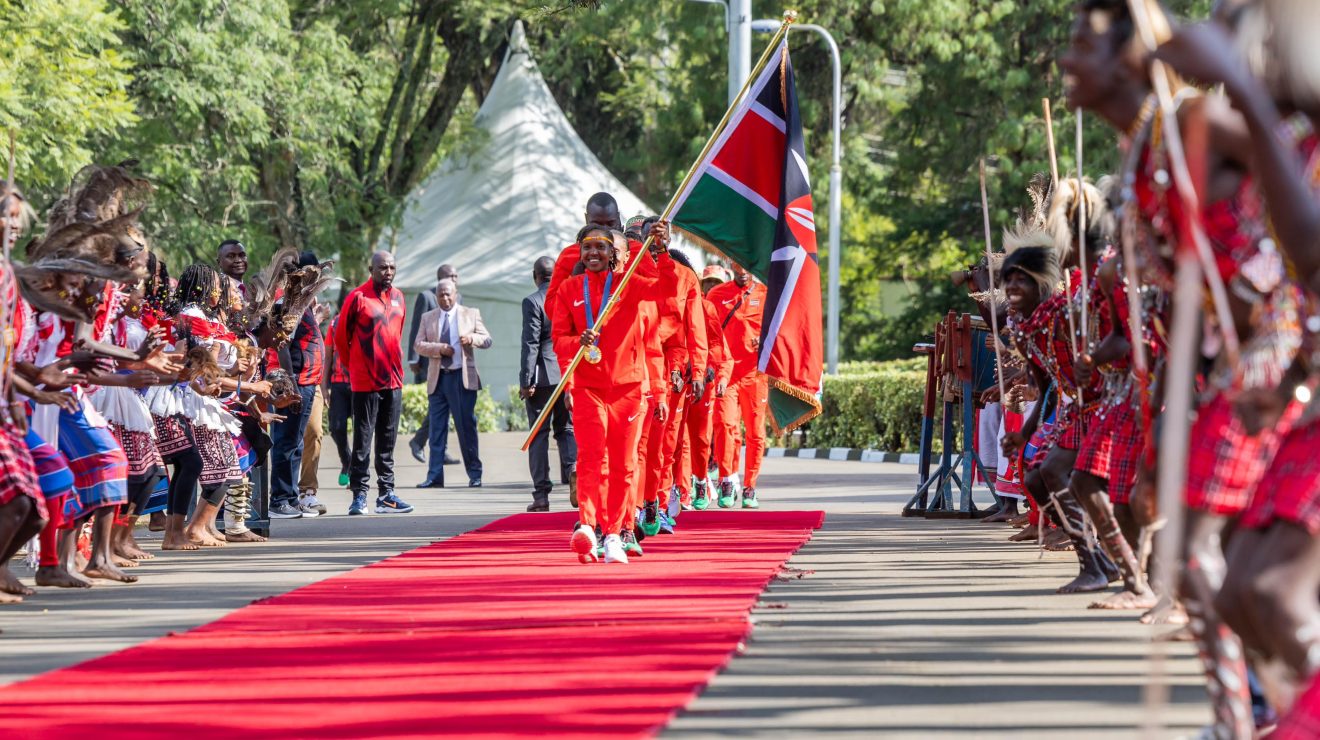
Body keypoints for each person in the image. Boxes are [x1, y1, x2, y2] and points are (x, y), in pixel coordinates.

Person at [549, 224, 658, 564]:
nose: (593, 253)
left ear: (613, 255)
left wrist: (657, 248)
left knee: (624, 465)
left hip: (628, 388)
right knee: (591, 460)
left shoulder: (628, 286)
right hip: (588, 389)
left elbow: (661, 288)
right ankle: (588, 526)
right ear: (579, 253)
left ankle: (613, 534)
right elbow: (558, 339)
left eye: (601, 247)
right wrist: (575, 343)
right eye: (587, 247)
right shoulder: (569, 289)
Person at [335, 250, 413, 515]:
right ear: (371, 269)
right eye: (382, 268)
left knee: (387, 440)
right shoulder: (357, 298)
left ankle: (387, 494)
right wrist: (355, 367)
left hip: (393, 380)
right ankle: (359, 496)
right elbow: (340, 339)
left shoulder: (400, 298)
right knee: (363, 440)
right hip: (365, 381)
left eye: (392, 267)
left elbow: (397, 335)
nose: (388, 272)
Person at [415, 278, 490, 488]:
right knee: (436, 431)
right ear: (436, 296)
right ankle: (434, 477)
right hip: (438, 379)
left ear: (455, 294)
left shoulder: (470, 313)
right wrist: (439, 348)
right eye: (441, 294)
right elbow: (418, 345)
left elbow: (487, 340)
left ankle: (475, 474)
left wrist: (472, 339)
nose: (445, 298)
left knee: (466, 428)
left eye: (448, 294)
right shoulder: (428, 317)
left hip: (461, 379)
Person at [704, 263, 768, 509]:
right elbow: (708, 333)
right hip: (726, 374)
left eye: (747, 264)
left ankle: (750, 486)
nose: (742, 268)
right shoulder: (717, 295)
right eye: (736, 263)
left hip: (755, 375)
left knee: (755, 433)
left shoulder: (764, 294)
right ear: (729, 263)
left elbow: (778, 331)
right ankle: (726, 480)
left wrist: (761, 340)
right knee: (725, 426)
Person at [268, 251, 327, 519]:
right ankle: (280, 499)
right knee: (286, 443)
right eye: (312, 274)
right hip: (296, 382)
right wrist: (291, 383)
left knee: (295, 444)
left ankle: (291, 497)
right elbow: (282, 345)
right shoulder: (290, 304)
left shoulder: (302, 303)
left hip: (307, 382)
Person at [520, 256, 576, 512]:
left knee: (539, 435)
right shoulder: (568, 295)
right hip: (565, 372)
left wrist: (526, 380)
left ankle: (542, 495)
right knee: (566, 430)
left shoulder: (532, 301)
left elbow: (530, 343)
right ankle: (573, 471)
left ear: (536, 276)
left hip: (542, 377)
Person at [408, 264, 460, 466]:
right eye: (450, 275)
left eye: (456, 275)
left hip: (452, 365)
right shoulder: (427, 297)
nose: (454, 278)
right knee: (438, 407)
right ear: (440, 278)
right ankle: (419, 442)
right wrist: (414, 358)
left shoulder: (458, 297)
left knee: (443, 408)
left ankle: (437, 448)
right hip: (428, 363)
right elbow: (416, 329)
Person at [297, 300, 331, 513]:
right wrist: (317, 320)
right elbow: (289, 339)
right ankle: (284, 495)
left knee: (314, 432)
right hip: (291, 379)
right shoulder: (284, 299)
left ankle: (308, 492)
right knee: (288, 442)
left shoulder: (310, 307)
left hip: (313, 380)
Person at [323, 308, 352, 488]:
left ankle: (356, 471)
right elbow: (328, 356)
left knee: (362, 430)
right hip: (339, 382)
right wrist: (324, 385)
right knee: (336, 427)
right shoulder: (335, 323)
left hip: (361, 383)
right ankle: (346, 460)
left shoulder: (366, 321)